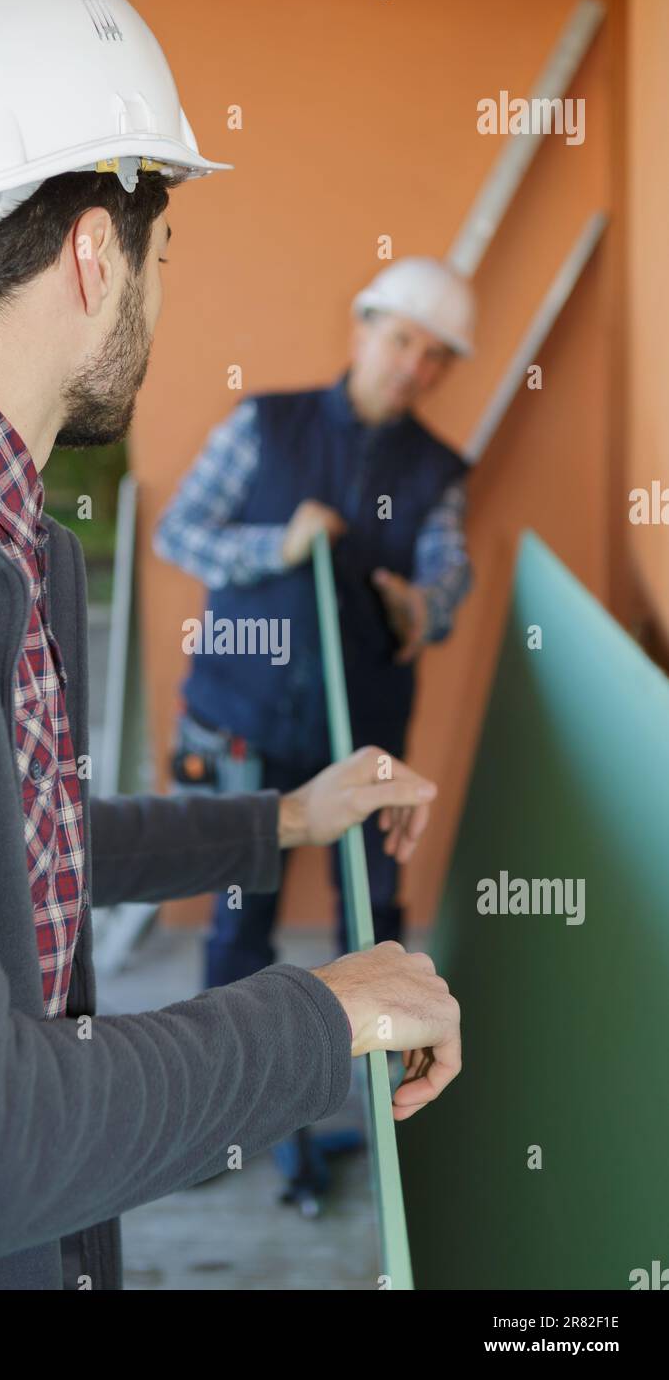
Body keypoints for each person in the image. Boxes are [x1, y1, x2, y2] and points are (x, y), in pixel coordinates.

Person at [0, 0, 460, 1291]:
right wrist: (321, 1013)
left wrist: (271, 823)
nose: (164, 293)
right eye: (165, 257)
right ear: (98, 254)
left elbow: (0, 846)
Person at [155, 256, 476, 986]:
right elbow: (176, 533)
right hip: (246, 720)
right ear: (362, 330)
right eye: (401, 341)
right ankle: (238, 1086)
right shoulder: (264, 422)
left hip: (365, 734)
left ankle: (386, 1089)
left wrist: (425, 608)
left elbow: (450, 568)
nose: (414, 368)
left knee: (375, 914)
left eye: (436, 358)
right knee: (241, 914)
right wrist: (280, 543)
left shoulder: (438, 471)